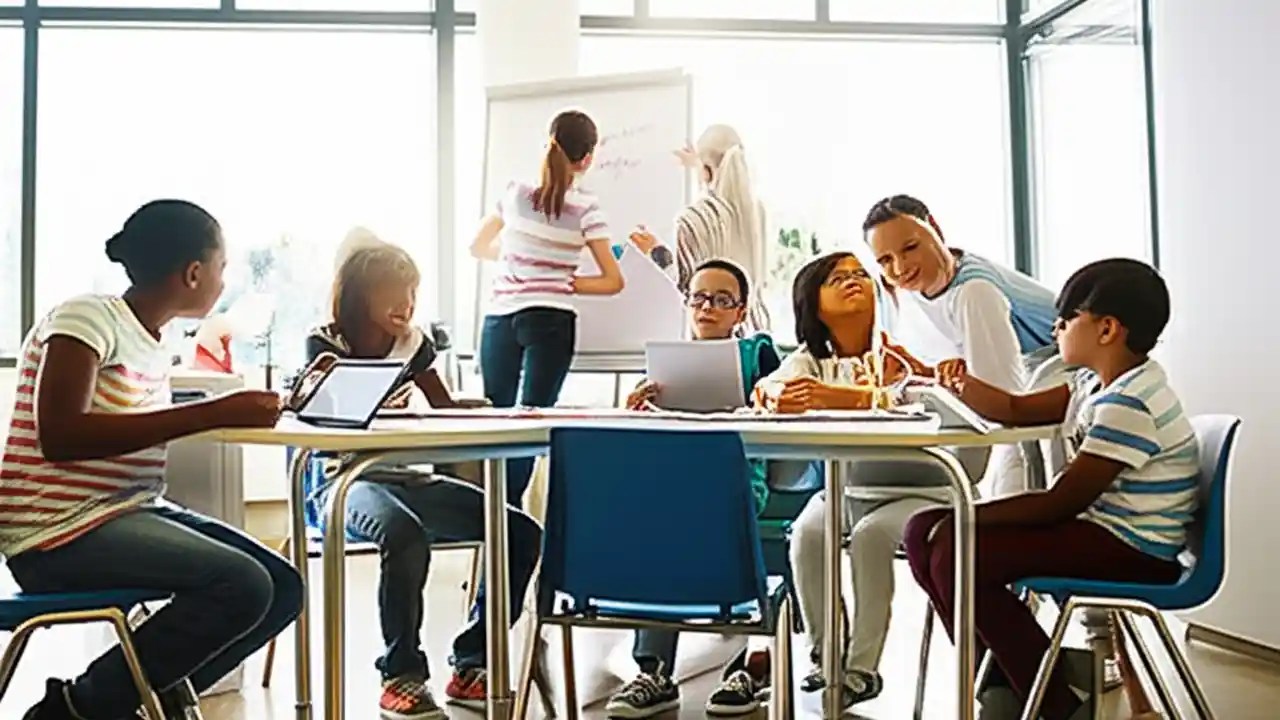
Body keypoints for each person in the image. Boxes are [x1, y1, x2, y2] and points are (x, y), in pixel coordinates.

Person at [6, 200, 302, 720]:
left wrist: (219, 411)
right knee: (244, 584)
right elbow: (61, 435)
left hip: (125, 511)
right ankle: (76, 709)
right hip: (55, 533)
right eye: (221, 267)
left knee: (282, 588)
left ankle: (145, 702)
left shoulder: (154, 339)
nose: (223, 280)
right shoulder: (86, 317)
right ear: (193, 273)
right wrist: (210, 413)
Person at [905, 258, 1196, 720]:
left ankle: (1054, 703)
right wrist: (957, 383)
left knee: (958, 552)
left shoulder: (1129, 402)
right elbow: (1014, 409)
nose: (1055, 328)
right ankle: (1010, 685)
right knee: (920, 530)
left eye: (1067, 318)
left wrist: (966, 516)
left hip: (1134, 548)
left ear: (1107, 329)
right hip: (1103, 532)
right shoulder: (1092, 384)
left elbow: (1062, 502)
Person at [863, 195, 1128, 688]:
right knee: (964, 537)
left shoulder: (975, 291)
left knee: (1011, 527)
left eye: (910, 247)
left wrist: (938, 386)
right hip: (1031, 390)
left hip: (1064, 381)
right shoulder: (925, 290)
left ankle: (1085, 653)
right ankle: (1018, 669)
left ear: (935, 227)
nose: (899, 267)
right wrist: (927, 376)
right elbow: (974, 379)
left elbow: (1002, 399)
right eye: (885, 260)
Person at [298, 238, 543, 719]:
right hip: (339, 481)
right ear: (360, 295)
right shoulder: (327, 342)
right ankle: (401, 675)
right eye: (393, 292)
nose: (406, 304)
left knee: (519, 532)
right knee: (403, 533)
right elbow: (323, 411)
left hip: (402, 478)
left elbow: (443, 406)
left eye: (412, 292)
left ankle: (472, 662)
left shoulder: (414, 343)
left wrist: (494, 411)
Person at [714, 251, 953, 713]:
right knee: (806, 532)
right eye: (837, 278)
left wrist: (842, 397)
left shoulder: (901, 349)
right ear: (813, 302)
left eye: (859, 274)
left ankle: (862, 669)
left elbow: (913, 399)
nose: (853, 281)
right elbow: (769, 389)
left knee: (870, 538)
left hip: (923, 492)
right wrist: (774, 395)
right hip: (847, 491)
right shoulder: (809, 359)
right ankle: (826, 657)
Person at [603, 259, 780, 719]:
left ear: (740, 311)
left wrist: (761, 402)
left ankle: (744, 667)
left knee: (672, 519)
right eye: (699, 297)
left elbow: (781, 411)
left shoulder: (758, 354)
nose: (708, 308)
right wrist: (637, 410)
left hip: (737, 481)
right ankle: (654, 671)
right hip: (677, 483)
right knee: (656, 517)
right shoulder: (665, 363)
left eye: (722, 300)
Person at [471, 109, 624, 501]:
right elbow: (613, 281)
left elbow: (477, 246)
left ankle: (493, 519)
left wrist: (517, 260)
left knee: (497, 422)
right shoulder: (587, 209)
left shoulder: (514, 193)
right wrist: (564, 280)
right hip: (551, 319)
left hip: (500, 319)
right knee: (531, 424)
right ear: (587, 158)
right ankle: (512, 517)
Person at [629, 124, 771, 332]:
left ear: (706, 171)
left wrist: (656, 252)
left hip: (713, 336)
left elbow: (683, 290)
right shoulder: (757, 212)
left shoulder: (693, 219)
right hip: (755, 332)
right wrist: (700, 165)